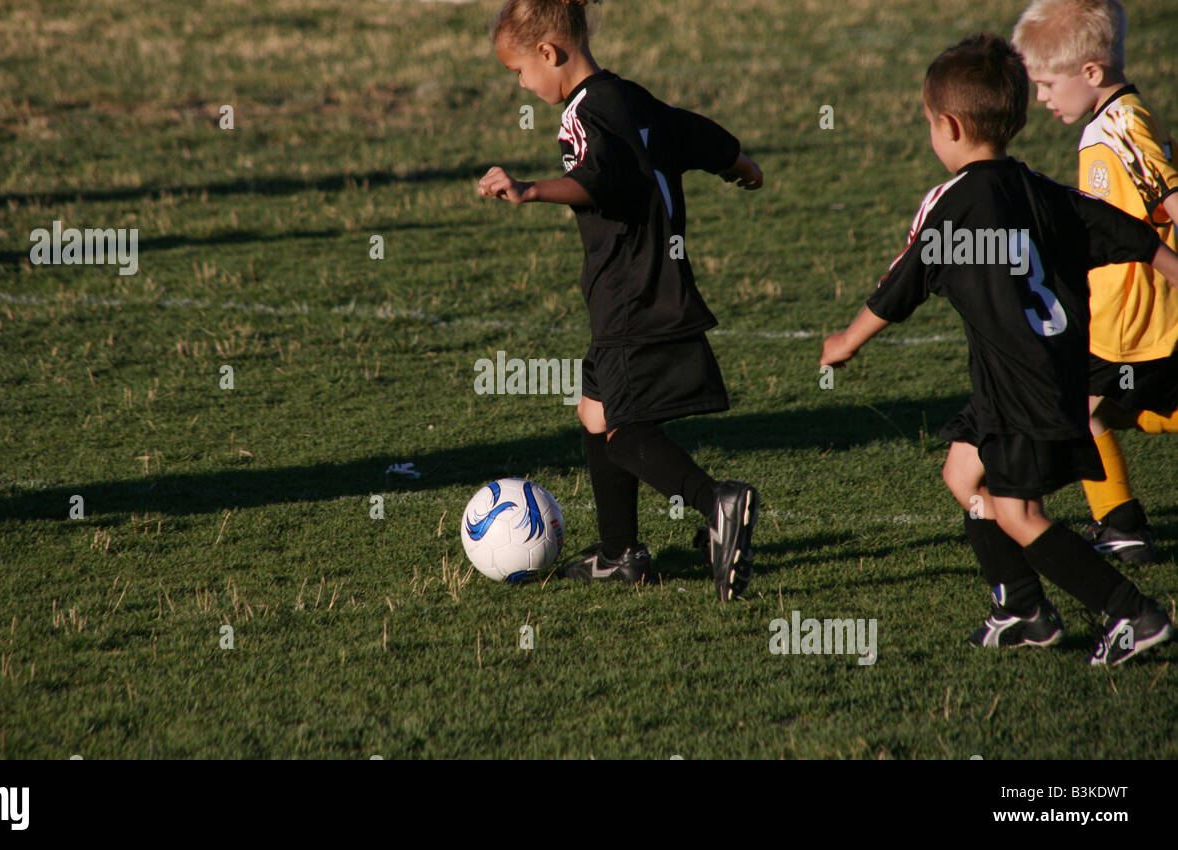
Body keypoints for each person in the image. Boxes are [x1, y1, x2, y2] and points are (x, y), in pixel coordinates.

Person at [820, 33, 1178, 664]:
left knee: (1016, 512)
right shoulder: (1042, 190)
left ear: (950, 126)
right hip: (1036, 377)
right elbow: (1135, 235)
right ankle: (1022, 608)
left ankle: (1133, 614)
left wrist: (846, 341)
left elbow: (902, 284)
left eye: (930, 123)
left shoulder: (952, 204)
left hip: (1022, 388)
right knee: (962, 473)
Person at [477, 0, 765, 600]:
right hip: (652, 283)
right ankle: (620, 554)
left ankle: (718, 503)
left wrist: (529, 190)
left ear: (550, 53)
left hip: (628, 293)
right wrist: (737, 163)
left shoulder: (582, 115)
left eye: (520, 72)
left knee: (623, 432)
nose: (523, 86)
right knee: (596, 412)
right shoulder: (631, 97)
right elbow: (693, 132)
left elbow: (598, 180)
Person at [1013, 0, 1178, 564]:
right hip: (1128, 315)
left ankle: (1122, 525)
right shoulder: (1109, 123)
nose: (1041, 98)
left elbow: (1171, 198)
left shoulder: (1123, 128)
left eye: (1045, 84)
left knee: (1079, 409)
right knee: (1108, 408)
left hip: (1130, 319)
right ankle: (1122, 523)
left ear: (1091, 72)